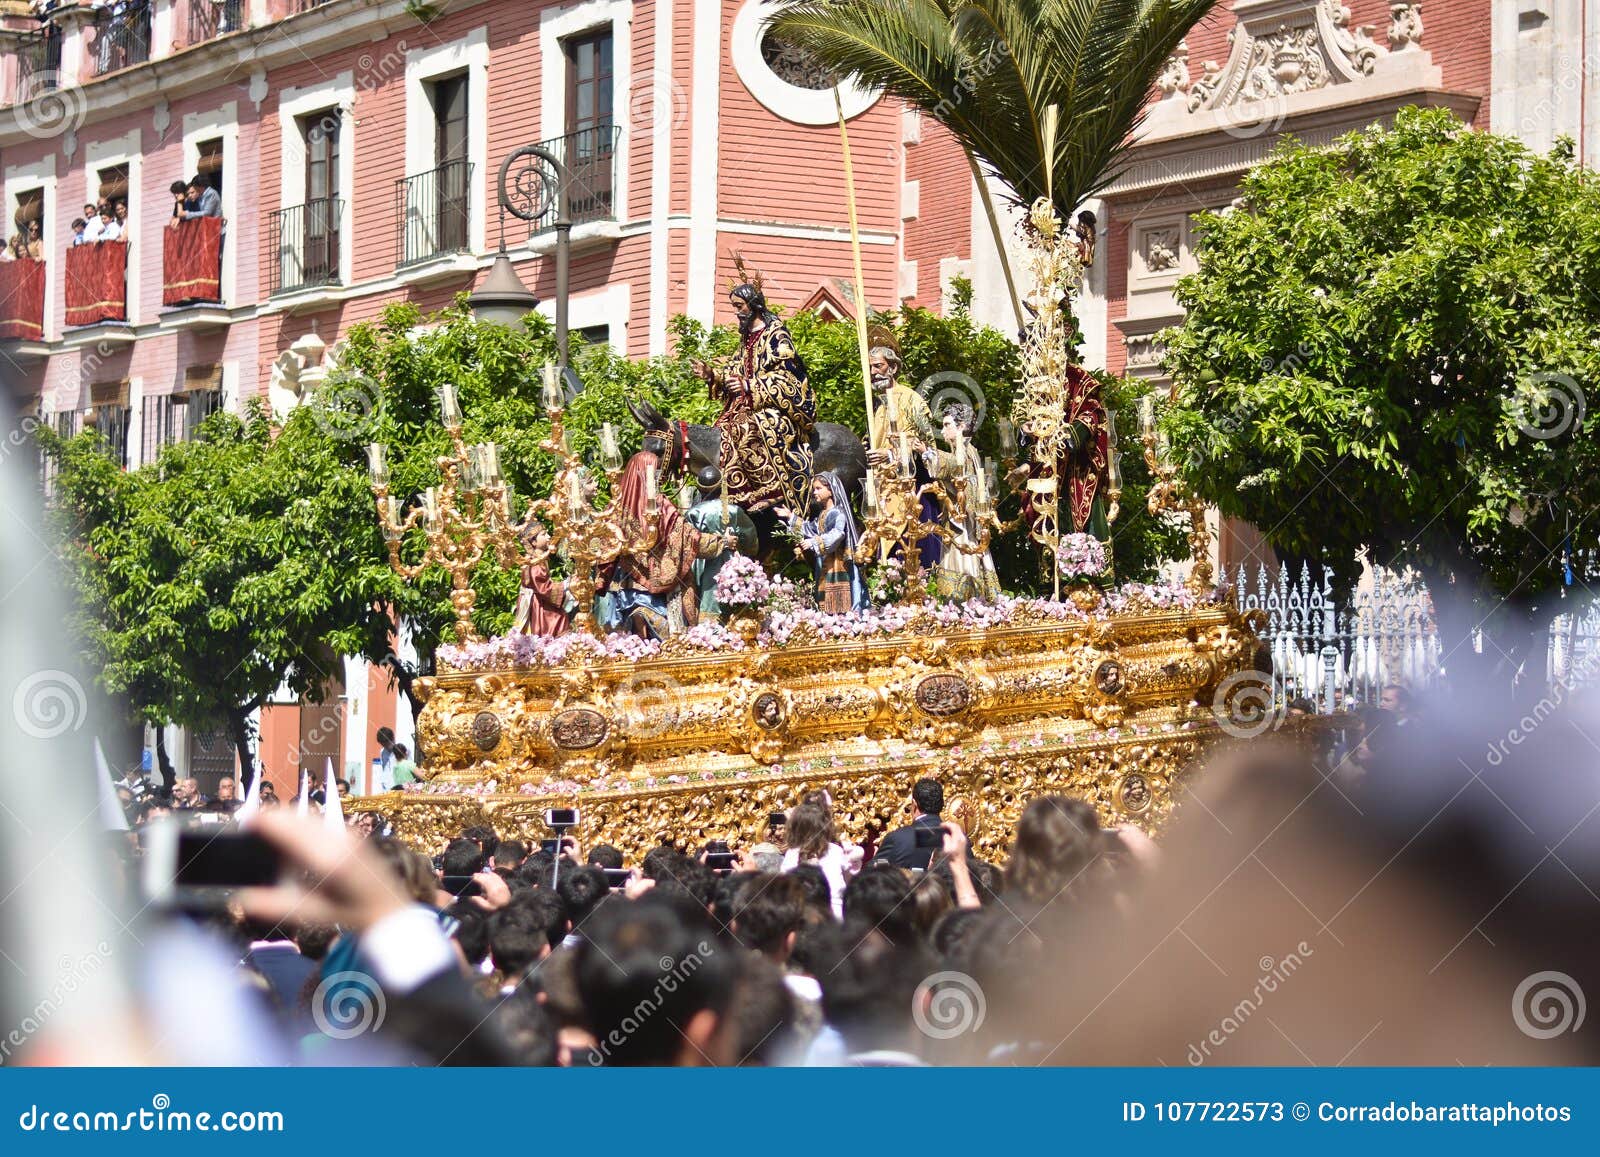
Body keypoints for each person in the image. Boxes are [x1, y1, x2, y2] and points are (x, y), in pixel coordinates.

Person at [691, 273, 815, 514]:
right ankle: (738, 489)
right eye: (734, 307)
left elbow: (788, 376)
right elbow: (734, 371)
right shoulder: (746, 340)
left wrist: (749, 386)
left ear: (754, 305)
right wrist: (712, 375)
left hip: (777, 408)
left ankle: (771, 488)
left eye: (739, 306)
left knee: (746, 427)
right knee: (721, 432)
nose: (736, 312)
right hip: (746, 405)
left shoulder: (776, 336)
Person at [598, 443, 737, 639]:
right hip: (658, 595)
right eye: (655, 473)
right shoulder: (659, 507)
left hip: (622, 590)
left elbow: (603, 552)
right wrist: (722, 542)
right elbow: (690, 538)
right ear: (643, 475)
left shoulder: (614, 510)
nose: (658, 477)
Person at [863, 342, 942, 570]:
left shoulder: (911, 400)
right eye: (870, 367)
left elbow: (925, 444)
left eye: (878, 366)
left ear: (893, 368)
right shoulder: (875, 404)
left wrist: (889, 454)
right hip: (881, 487)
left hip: (909, 487)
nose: (873, 372)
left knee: (911, 546)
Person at [925, 402, 1001, 601]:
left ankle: (965, 600)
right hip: (960, 515)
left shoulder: (966, 449)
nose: (942, 431)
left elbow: (953, 467)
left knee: (963, 554)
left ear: (961, 427)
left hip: (964, 520)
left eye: (947, 425)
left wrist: (927, 451)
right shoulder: (967, 449)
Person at [777, 472, 868, 614]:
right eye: (814, 489)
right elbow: (810, 528)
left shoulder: (838, 513)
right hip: (825, 562)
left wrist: (814, 542)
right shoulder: (823, 513)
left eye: (818, 488)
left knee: (839, 599)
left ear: (830, 490)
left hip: (837, 563)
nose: (815, 492)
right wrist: (790, 516)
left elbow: (838, 534)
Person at [683, 465, 758, 622]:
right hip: (730, 563)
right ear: (722, 487)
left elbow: (688, 543)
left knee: (706, 603)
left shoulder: (693, 513)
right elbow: (751, 540)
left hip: (703, 565)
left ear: (700, 489)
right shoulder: (734, 511)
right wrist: (742, 547)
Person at [509, 521, 569, 637]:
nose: (548, 537)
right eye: (544, 534)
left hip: (537, 601)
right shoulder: (535, 563)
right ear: (534, 542)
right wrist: (566, 585)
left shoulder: (538, 559)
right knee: (559, 619)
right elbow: (544, 588)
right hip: (538, 605)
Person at [874, 778, 945, 871]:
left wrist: (876, 861)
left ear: (914, 805)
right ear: (941, 805)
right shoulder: (960, 839)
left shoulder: (898, 838)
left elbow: (873, 877)